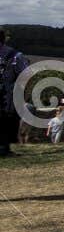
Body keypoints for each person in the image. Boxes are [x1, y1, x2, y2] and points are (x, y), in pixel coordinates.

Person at [0, 29, 26, 157]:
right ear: (4, 38)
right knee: (8, 121)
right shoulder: (16, 55)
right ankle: (4, 149)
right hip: (9, 94)